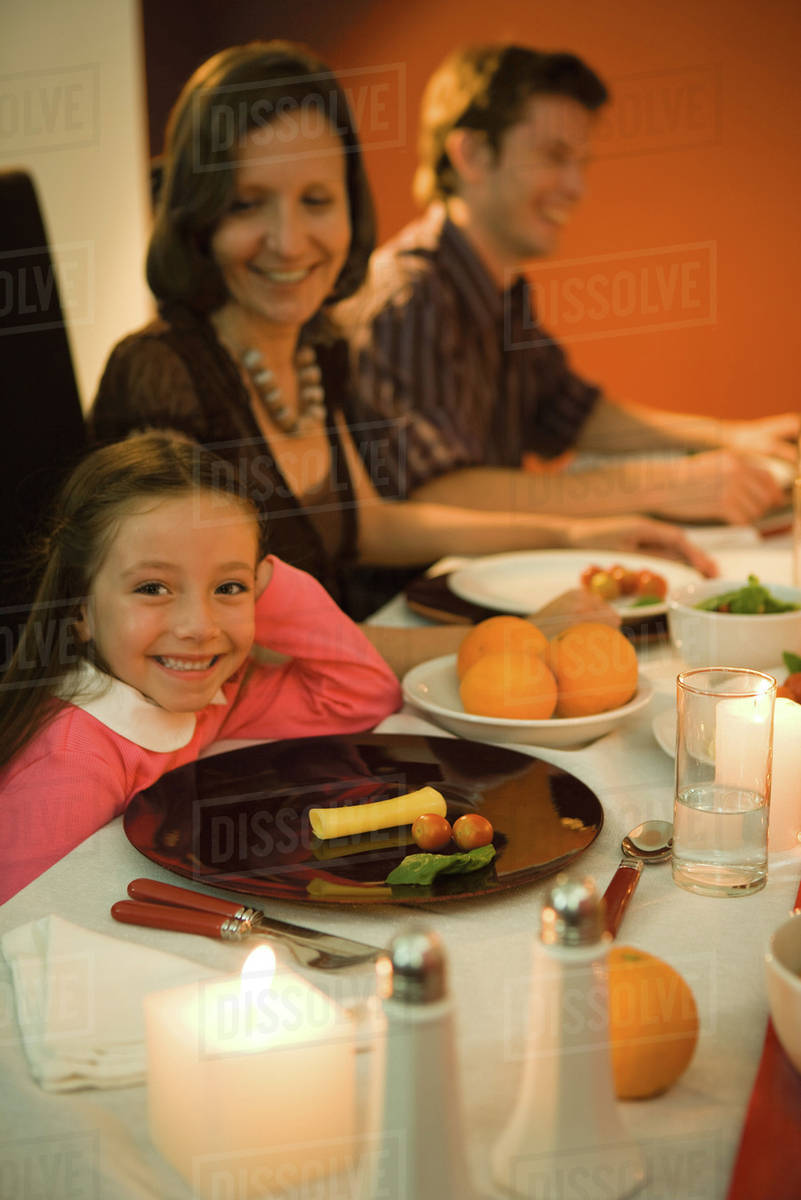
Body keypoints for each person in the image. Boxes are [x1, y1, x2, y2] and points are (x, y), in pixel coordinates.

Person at [87, 41, 714, 676]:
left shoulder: (314, 347)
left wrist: (575, 535)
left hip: (327, 712)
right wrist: (515, 638)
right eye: (247, 203)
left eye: (316, 201)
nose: (288, 240)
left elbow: (371, 522)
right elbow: (227, 643)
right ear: (198, 217)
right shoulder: (161, 376)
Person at [339, 44, 798, 524]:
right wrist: (664, 484)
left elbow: (573, 413)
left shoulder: (498, 288)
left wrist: (730, 437)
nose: (577, 187)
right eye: (554, 157)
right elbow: (441, 493)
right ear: (472, 154)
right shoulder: (410, 297)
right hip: (410, 595)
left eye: (581, 162)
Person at [0, 432, 402, 902]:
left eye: (228, 588)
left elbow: (364, 693)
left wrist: (264, 585)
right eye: (152, 588)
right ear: (80, 611)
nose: (198, 626)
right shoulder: (72, 764)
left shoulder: (215, 692)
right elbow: (21, 927)